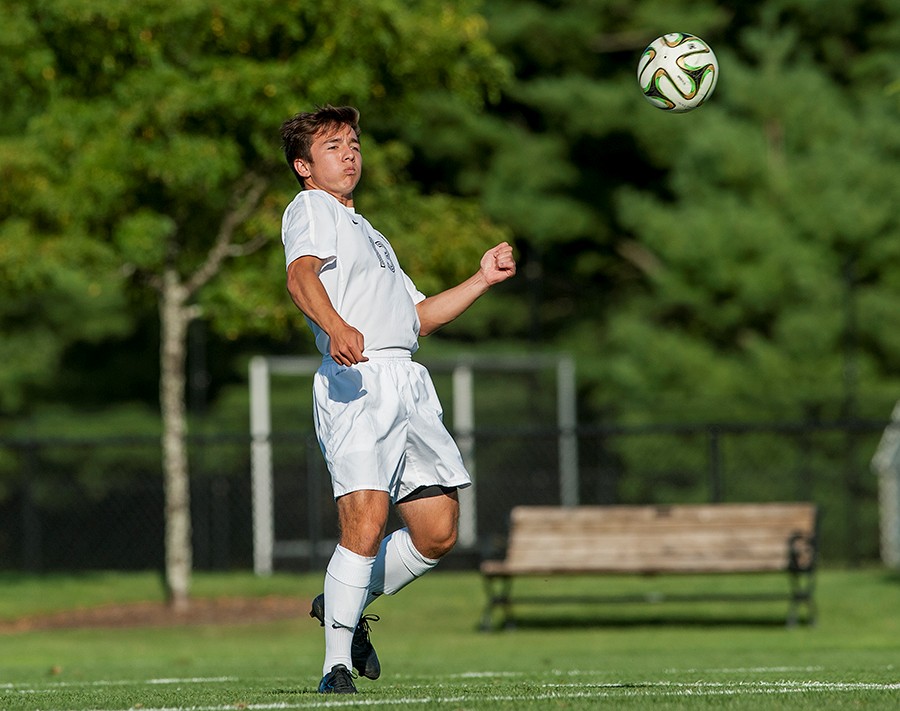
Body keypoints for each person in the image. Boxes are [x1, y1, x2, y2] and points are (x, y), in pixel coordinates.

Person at [279, 105, 516, 694]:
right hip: (356, 381)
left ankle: (343, 602)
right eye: (333, 146)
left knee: (437, 533)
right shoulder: (311, 209)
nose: (350, 153)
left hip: (406, 379)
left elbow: (416, 318)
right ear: (304, 167)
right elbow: (300, 277)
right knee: (365, 520)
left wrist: (480, 279)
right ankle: (335, 668)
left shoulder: (371, 233)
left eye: (354, 143)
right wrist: (334, 326)